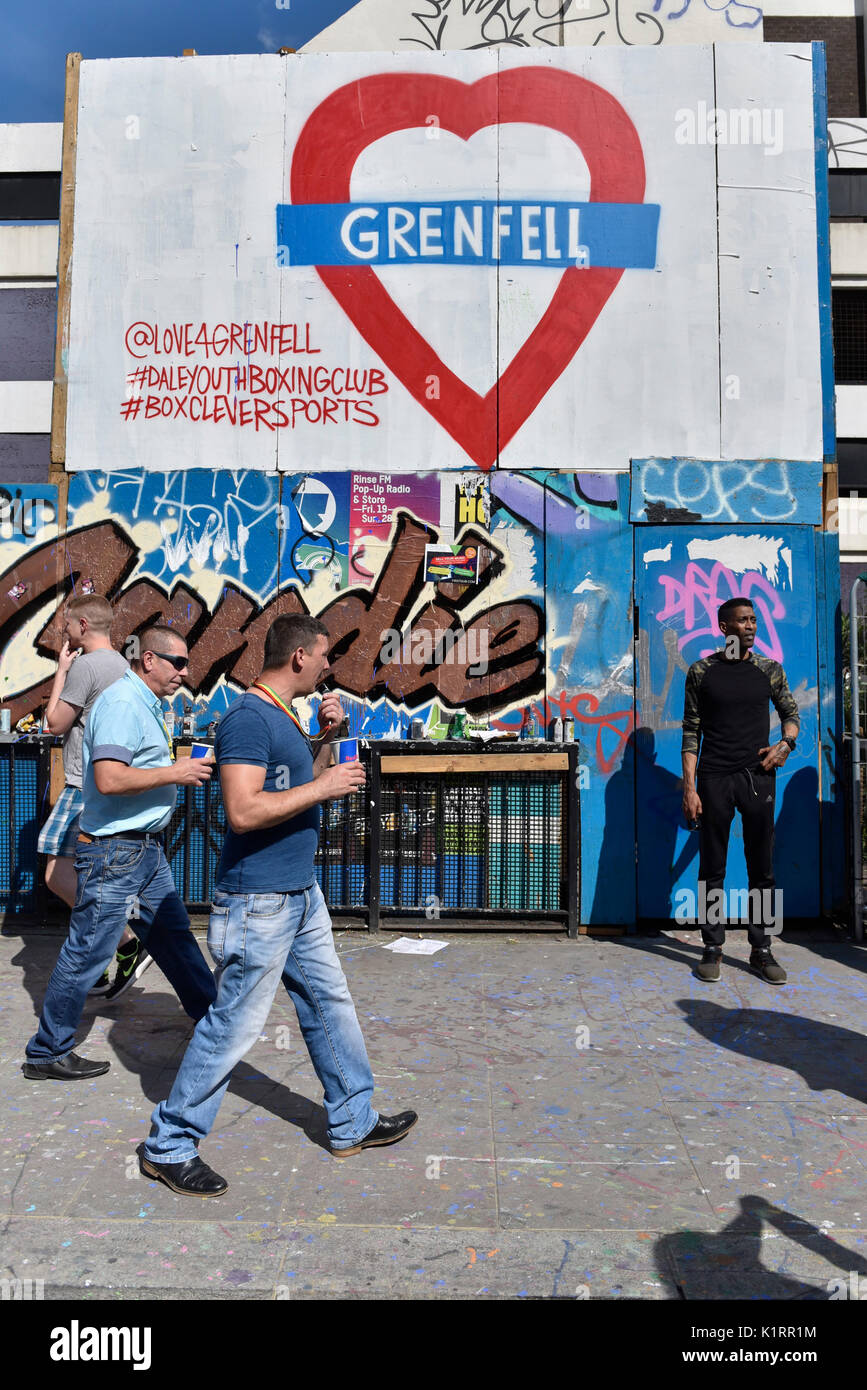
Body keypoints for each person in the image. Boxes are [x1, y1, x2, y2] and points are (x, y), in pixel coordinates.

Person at [141, 614, 417, 1197]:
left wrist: (322, 748)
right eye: (322, 658)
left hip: (298, 892)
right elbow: (243, 810)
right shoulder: (247, 719)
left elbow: (289, 785)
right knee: (233, 1025)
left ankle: (353, 1120)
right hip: (259, 901)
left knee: (328, 1001)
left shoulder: (282, 714)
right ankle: (167, 1144)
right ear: (298, 658)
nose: (327, 668)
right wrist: (324, 787)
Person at [23, 625, 218, 1079]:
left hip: (141, 850)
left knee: (172, 936)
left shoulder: (144, 703)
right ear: (148, 659)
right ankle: (47, 1052)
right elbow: (109, 778)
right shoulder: (122, 703)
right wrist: (175, 773)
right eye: (178, 663)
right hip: (114, 852)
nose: (185, 673)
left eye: (186, 664)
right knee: (87, 951)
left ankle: (213, 1019)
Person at [681, 597, 800, 985]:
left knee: (761, 869)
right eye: (742, 620)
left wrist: (785, 745)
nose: (750, 626)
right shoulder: (701, 672)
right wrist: (689, 788)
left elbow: (791, 715)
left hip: (758, 779)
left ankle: (761, 949)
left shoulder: (768, 669)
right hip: (714, 778)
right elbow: (690, 731)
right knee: (712, 867)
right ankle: (712, 948)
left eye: (753, 620)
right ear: (724, 627)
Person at [40, 594, 151, 1001]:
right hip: (109, 784)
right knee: (91, 878)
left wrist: (60, 673)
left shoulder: (85, 666)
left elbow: (54, 724)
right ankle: (104, 955)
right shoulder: (125, 667)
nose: (66, 632)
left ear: (84, 626)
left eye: (69, 625)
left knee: (56, 873)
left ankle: (124, 941)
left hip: (80, 782)